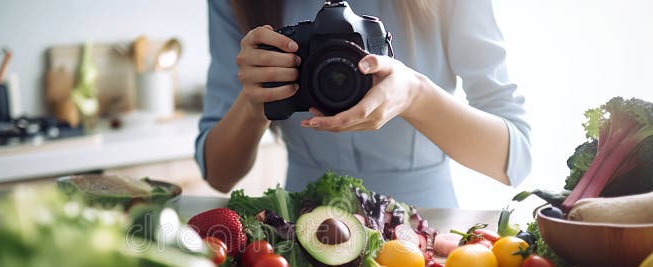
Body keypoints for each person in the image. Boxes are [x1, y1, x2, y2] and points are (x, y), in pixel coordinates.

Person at [195, 0, 531, 208]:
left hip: (423, 244)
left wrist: (415, 95)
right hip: (298, 242)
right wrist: (257, 97)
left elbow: (513, 156)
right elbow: (219, 174)